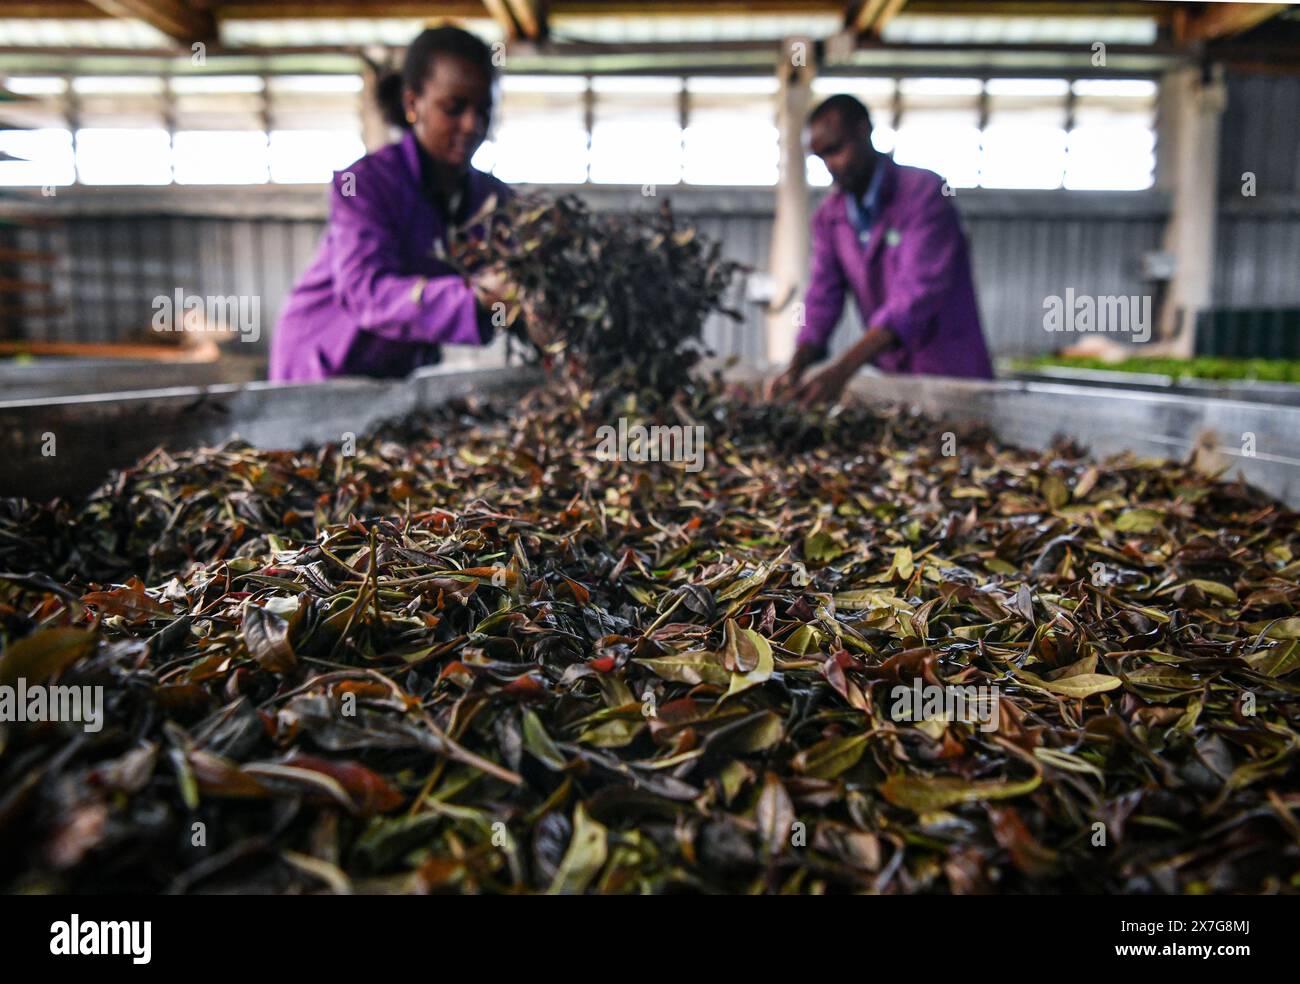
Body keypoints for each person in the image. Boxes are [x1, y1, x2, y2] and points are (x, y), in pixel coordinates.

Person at [270, 26, 510, 382]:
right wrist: (476, 296)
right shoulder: (365, 186)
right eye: (454, 108)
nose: (472, 124)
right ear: (413, 104)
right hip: (323, 365)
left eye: (483, 110)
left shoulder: (490, 199)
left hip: (394, 373)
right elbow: (367, 291)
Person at [767, 94, 994, 405]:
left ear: (864, 131)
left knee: (959, 446)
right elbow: (822, 299)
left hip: (951, 373)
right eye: (821, 157)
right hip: (895, 377)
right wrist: (796, 367)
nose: (831, 165)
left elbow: (914, 298)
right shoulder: (829, 218)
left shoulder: (924, 195)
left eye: (836, 150)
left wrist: (842, 370)